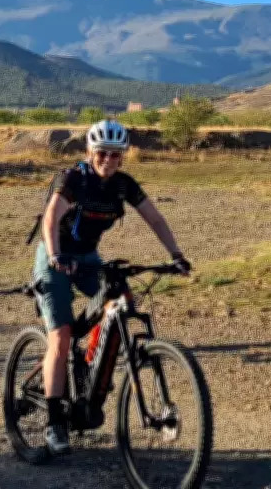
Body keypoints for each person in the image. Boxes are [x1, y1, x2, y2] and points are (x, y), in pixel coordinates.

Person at [34, 119, 191, 454]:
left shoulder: (123, 185)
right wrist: (55, 256)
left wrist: (176, 255)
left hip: (88, 257)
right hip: (56, 256)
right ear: (91, 152)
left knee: (121, 298)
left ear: (123, 156)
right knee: (60, 338)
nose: (108, 159)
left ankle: (92, 367)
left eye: (115, 154)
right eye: (102, 152)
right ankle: (54, 422)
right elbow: (51, 218)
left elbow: (155, 218)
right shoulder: (74, 178)